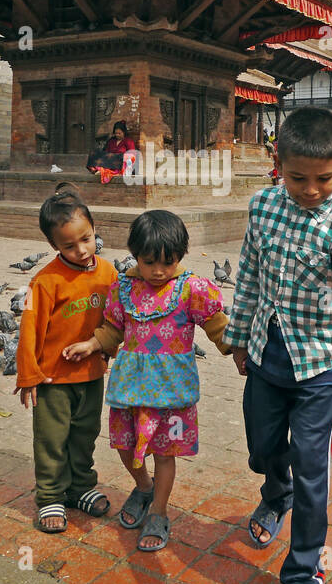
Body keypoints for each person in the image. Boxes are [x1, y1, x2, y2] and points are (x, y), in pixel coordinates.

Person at [223, 106, 332, 584]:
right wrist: (238, 338)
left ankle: (304, 577)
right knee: (263, 446)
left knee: (314, 468)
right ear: (276, 164)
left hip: (321, 368)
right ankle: (274, 490)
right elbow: (249, 277)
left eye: (325, 179)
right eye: (298, 178)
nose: (311, 190)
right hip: (267, 354)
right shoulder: (262, 206)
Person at [64, 210, 233, 552]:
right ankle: (142, 486)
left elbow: (217, 327)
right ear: (135, 254)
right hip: (130, 388)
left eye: (168, 263)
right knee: (125, 445)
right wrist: (93, 344)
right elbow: (113, 329)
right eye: (149, 261)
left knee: (165, 453)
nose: (158, 271)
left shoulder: (192, 289)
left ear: (180, 256)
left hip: (172, 392)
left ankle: (158, 510)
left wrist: (243, 350)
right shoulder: (123, 287)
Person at [14, 187, 119, 533]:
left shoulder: (108, 273)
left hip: (91, 373)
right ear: (55, 246)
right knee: (51, 439)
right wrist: (28, 375)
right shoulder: (44, 282)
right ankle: (49, 496)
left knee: (86, 433)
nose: (81, 250)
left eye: (86, 239)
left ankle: (81, 487)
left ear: (94, 229)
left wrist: (107, 349)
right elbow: (29, 330)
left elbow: (115, 320)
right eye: (69, 246)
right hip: (52, 379)